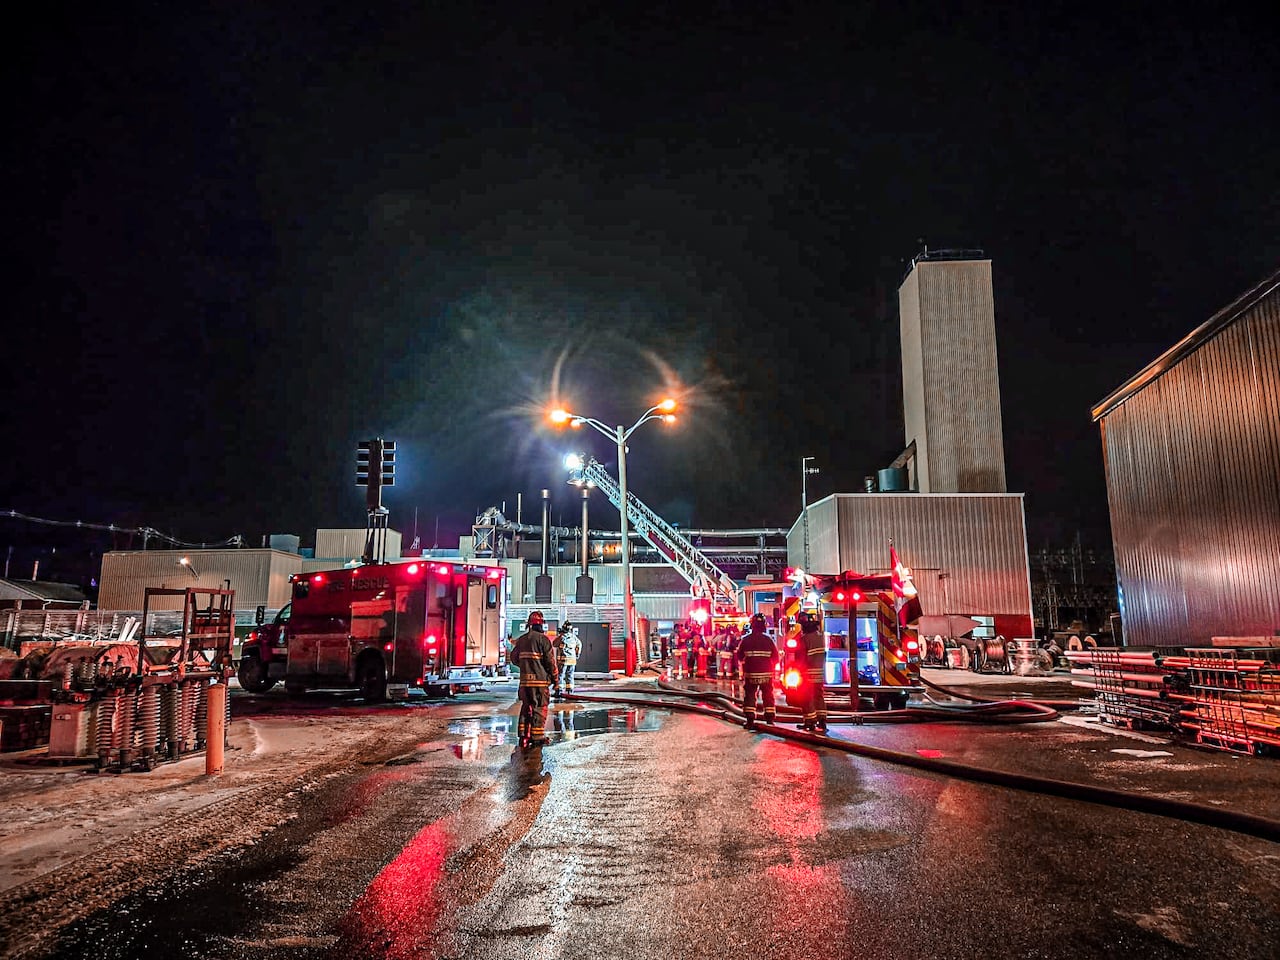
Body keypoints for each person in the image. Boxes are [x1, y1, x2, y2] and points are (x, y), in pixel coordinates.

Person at [510, 611, 557, 747]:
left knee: (526, 706)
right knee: (539, 707)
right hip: (540, 682)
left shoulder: (522, 640)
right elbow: (550, 662)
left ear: (529, 625)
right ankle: (537, 736)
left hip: (525, 682)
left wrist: (525, 666)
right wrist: (555, 679)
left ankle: (524, 734)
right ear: (541, 624)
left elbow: (514, 658)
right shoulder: (544, 640)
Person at [734, 613, 778, 730]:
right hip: (767, 674)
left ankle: (750, 721)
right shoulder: (769, 640)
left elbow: (739, 656)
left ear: (752, 625)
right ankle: (769, 719)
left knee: (750, 696)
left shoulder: (745, 640)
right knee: (768, 696)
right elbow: (776, 658)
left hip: (751, 673)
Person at [794, 612, 828, 732]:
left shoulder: (805, 639)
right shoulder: (820, 637)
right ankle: (822, 721)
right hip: (819, 673)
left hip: (807, 674)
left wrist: (796, 670)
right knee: (818, 696)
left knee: (805, 697)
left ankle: (810, 721)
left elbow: (801, 658)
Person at [557, 624, 581, 696]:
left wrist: (560, 636)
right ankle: (570, 690)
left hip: (563, 660)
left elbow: (554, 643)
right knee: (570, 675)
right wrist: (577, 654)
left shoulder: (562, 637)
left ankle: (559, 690)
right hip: (572, 660)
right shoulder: (574, 637)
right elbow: (579, 645)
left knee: (561, 675)